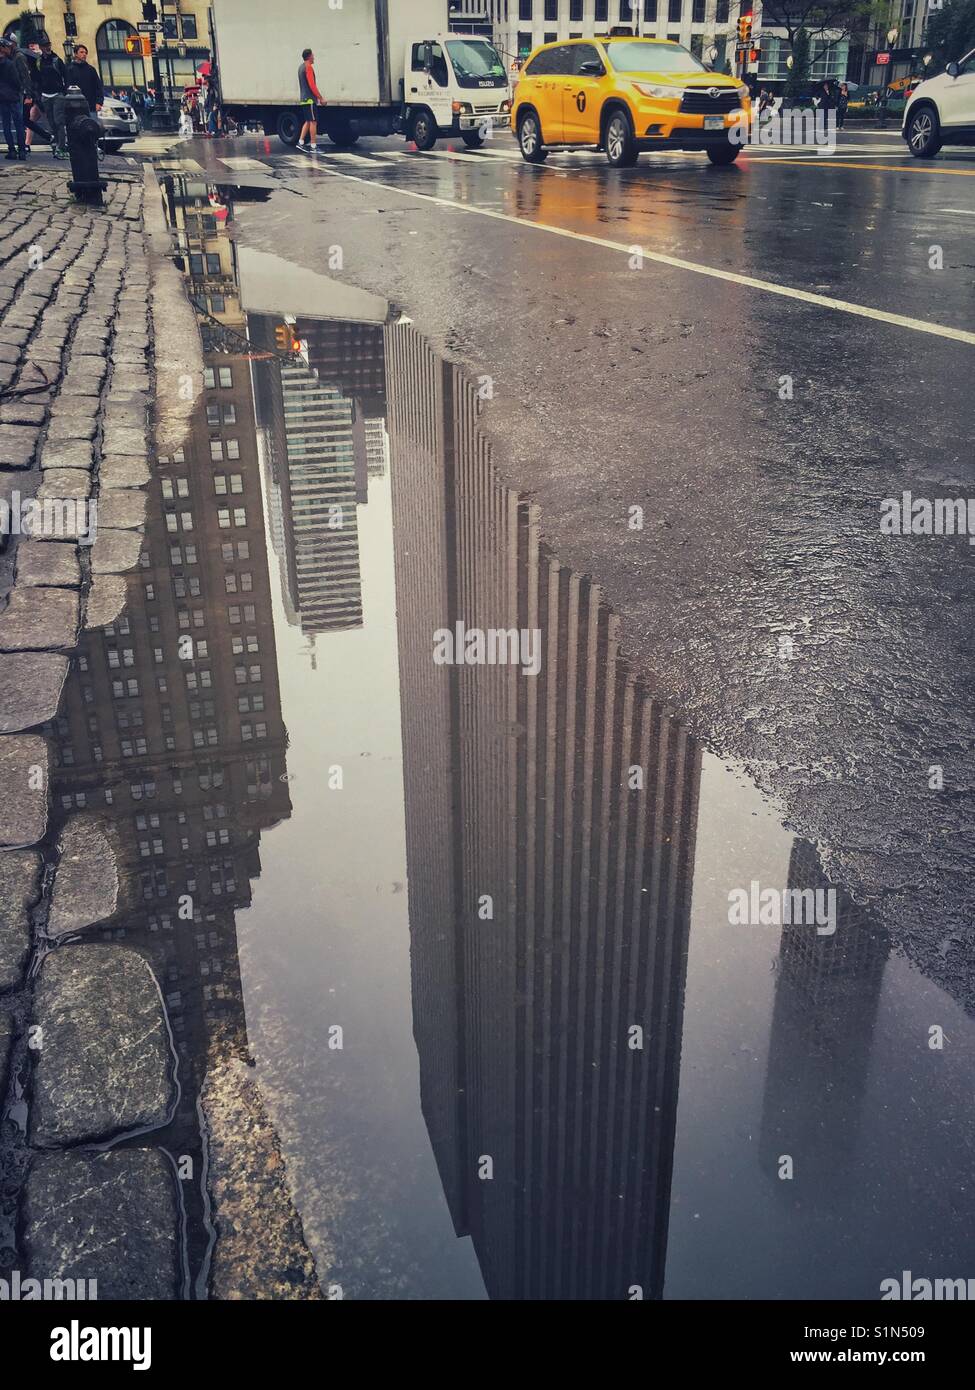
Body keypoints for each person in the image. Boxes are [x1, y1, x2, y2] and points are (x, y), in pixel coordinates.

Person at [36, 37, 67, 156]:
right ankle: (57, 144)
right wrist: (39, 93)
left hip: (57, 94)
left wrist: (64, 91)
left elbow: (66, 75)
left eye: (48, 45)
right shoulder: (39, 61)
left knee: (59, 121)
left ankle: (61, 147)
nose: (48, 47)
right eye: (45, 46)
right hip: (45, 95)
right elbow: (37, 78)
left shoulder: (56, 60)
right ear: (41, 47)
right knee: (51, 122)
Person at [0, 36, 26, 160]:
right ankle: (22, 151)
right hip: (13, 97)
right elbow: (16, 80)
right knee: (18, 124)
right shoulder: (10, 64)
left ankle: (11, 150)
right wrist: (19, 89)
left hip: (2, 98)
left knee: (6, 125)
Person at [296, 46, 324, 153]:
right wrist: (320, 98)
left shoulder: (301, 67)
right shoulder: (308, 68)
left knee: (308, 121)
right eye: (313, 55)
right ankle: (313, 146)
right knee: (313, 122)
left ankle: (300, 142)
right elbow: (312, 85)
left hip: (304, 99)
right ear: (309, 56)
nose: (314, 57)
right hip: (310, 100)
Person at [64, 43, 104, 114]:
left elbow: (98, 87)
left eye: (85, 53)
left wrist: (99, 102)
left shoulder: (91, 69)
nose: (84, 54)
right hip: (75, 107)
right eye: (81, 52)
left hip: (91, 106)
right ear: (75, 54)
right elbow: (67, 88)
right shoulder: (69, 69)